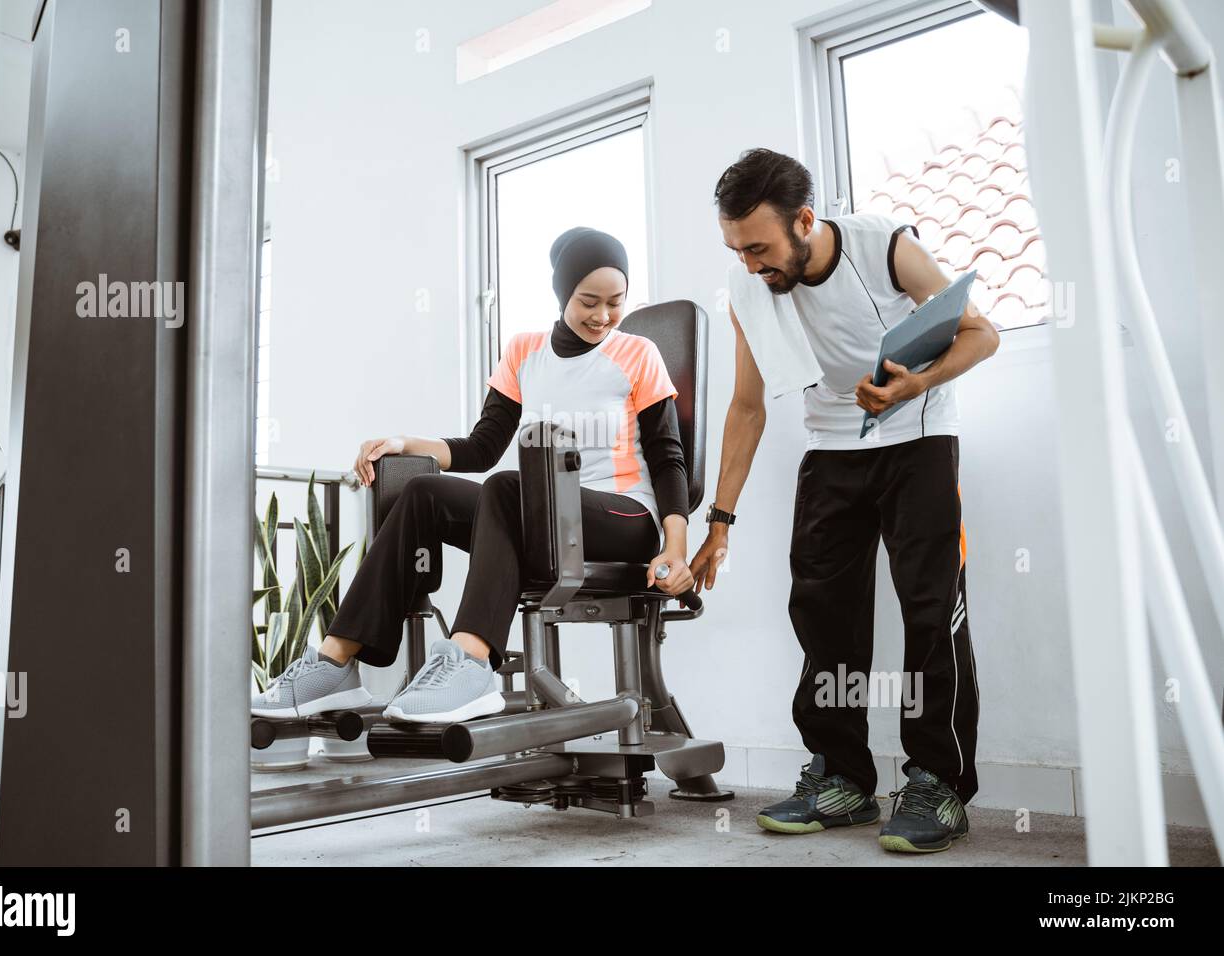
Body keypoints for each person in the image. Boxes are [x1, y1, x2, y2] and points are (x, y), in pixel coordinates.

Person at [252, 226, 695, 725]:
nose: (603, 316)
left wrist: (674, 547)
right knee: (424, 492)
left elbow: (667, 457)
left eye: (616, 302)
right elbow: (483, 447)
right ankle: (335, 664)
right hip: (543, 513)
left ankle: (471, 660)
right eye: (588, 301)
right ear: (562, 294)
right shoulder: (525, 351)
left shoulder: (638, 354)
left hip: (622, 514)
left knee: (509, 488)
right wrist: (404, 444)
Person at [690, 148, 999, 853]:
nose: (749, 264)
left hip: (919, 440)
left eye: (760, 247)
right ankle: (844, 778)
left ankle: (938, 784)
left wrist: (913, 386)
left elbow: (983, 332)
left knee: (931, 611)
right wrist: (719, 521)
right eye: (736, 249)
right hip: (832, 450)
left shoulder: (883, 243)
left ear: (805, 221)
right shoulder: (749, 291)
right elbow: (745, 407)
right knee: (823, 616)